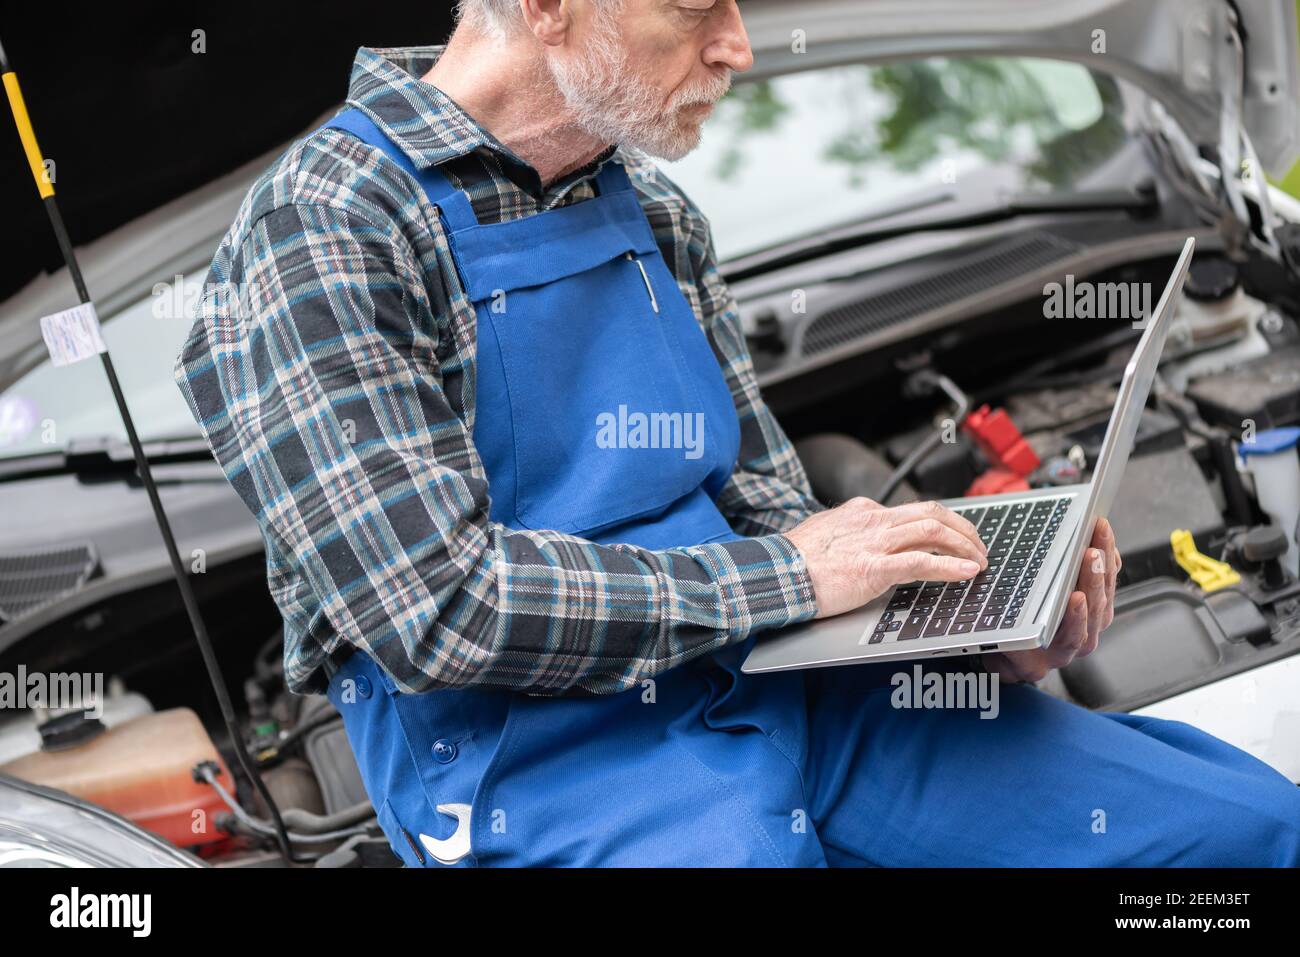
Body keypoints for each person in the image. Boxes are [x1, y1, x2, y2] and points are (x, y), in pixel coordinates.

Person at [175, 0, 1300, 866]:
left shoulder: (655, 214)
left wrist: (965, 624)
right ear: (552, 9)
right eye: (694, 11)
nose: (739, 47)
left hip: (788, 685)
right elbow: (437, 610)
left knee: (1238, 836)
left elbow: (767, 507)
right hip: (538, 761)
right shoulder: (327, 230)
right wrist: (787, 579)